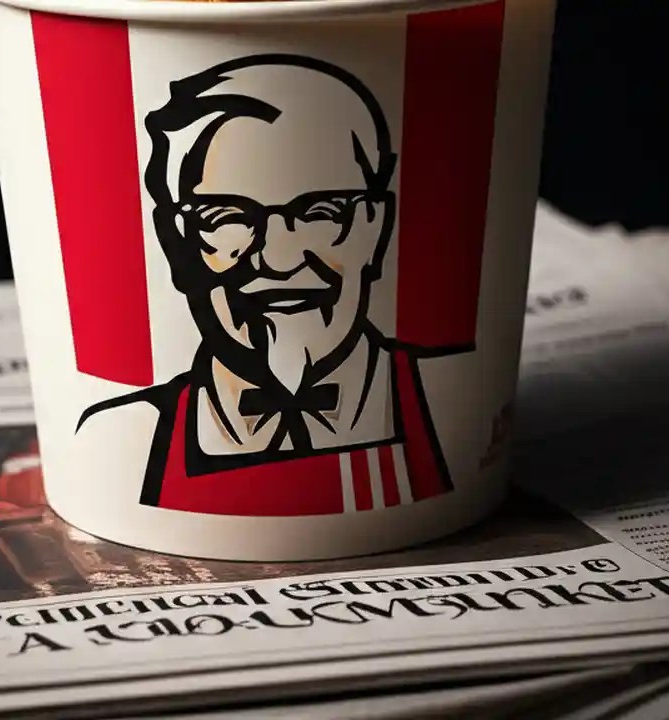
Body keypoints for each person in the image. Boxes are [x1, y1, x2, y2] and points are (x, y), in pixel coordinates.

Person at [79, 56, 469, 518]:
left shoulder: (455, 398)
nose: (279, 260)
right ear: (176, 246)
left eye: (321, 212)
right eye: (227, 217)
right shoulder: (122, 436)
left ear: (374, 231)